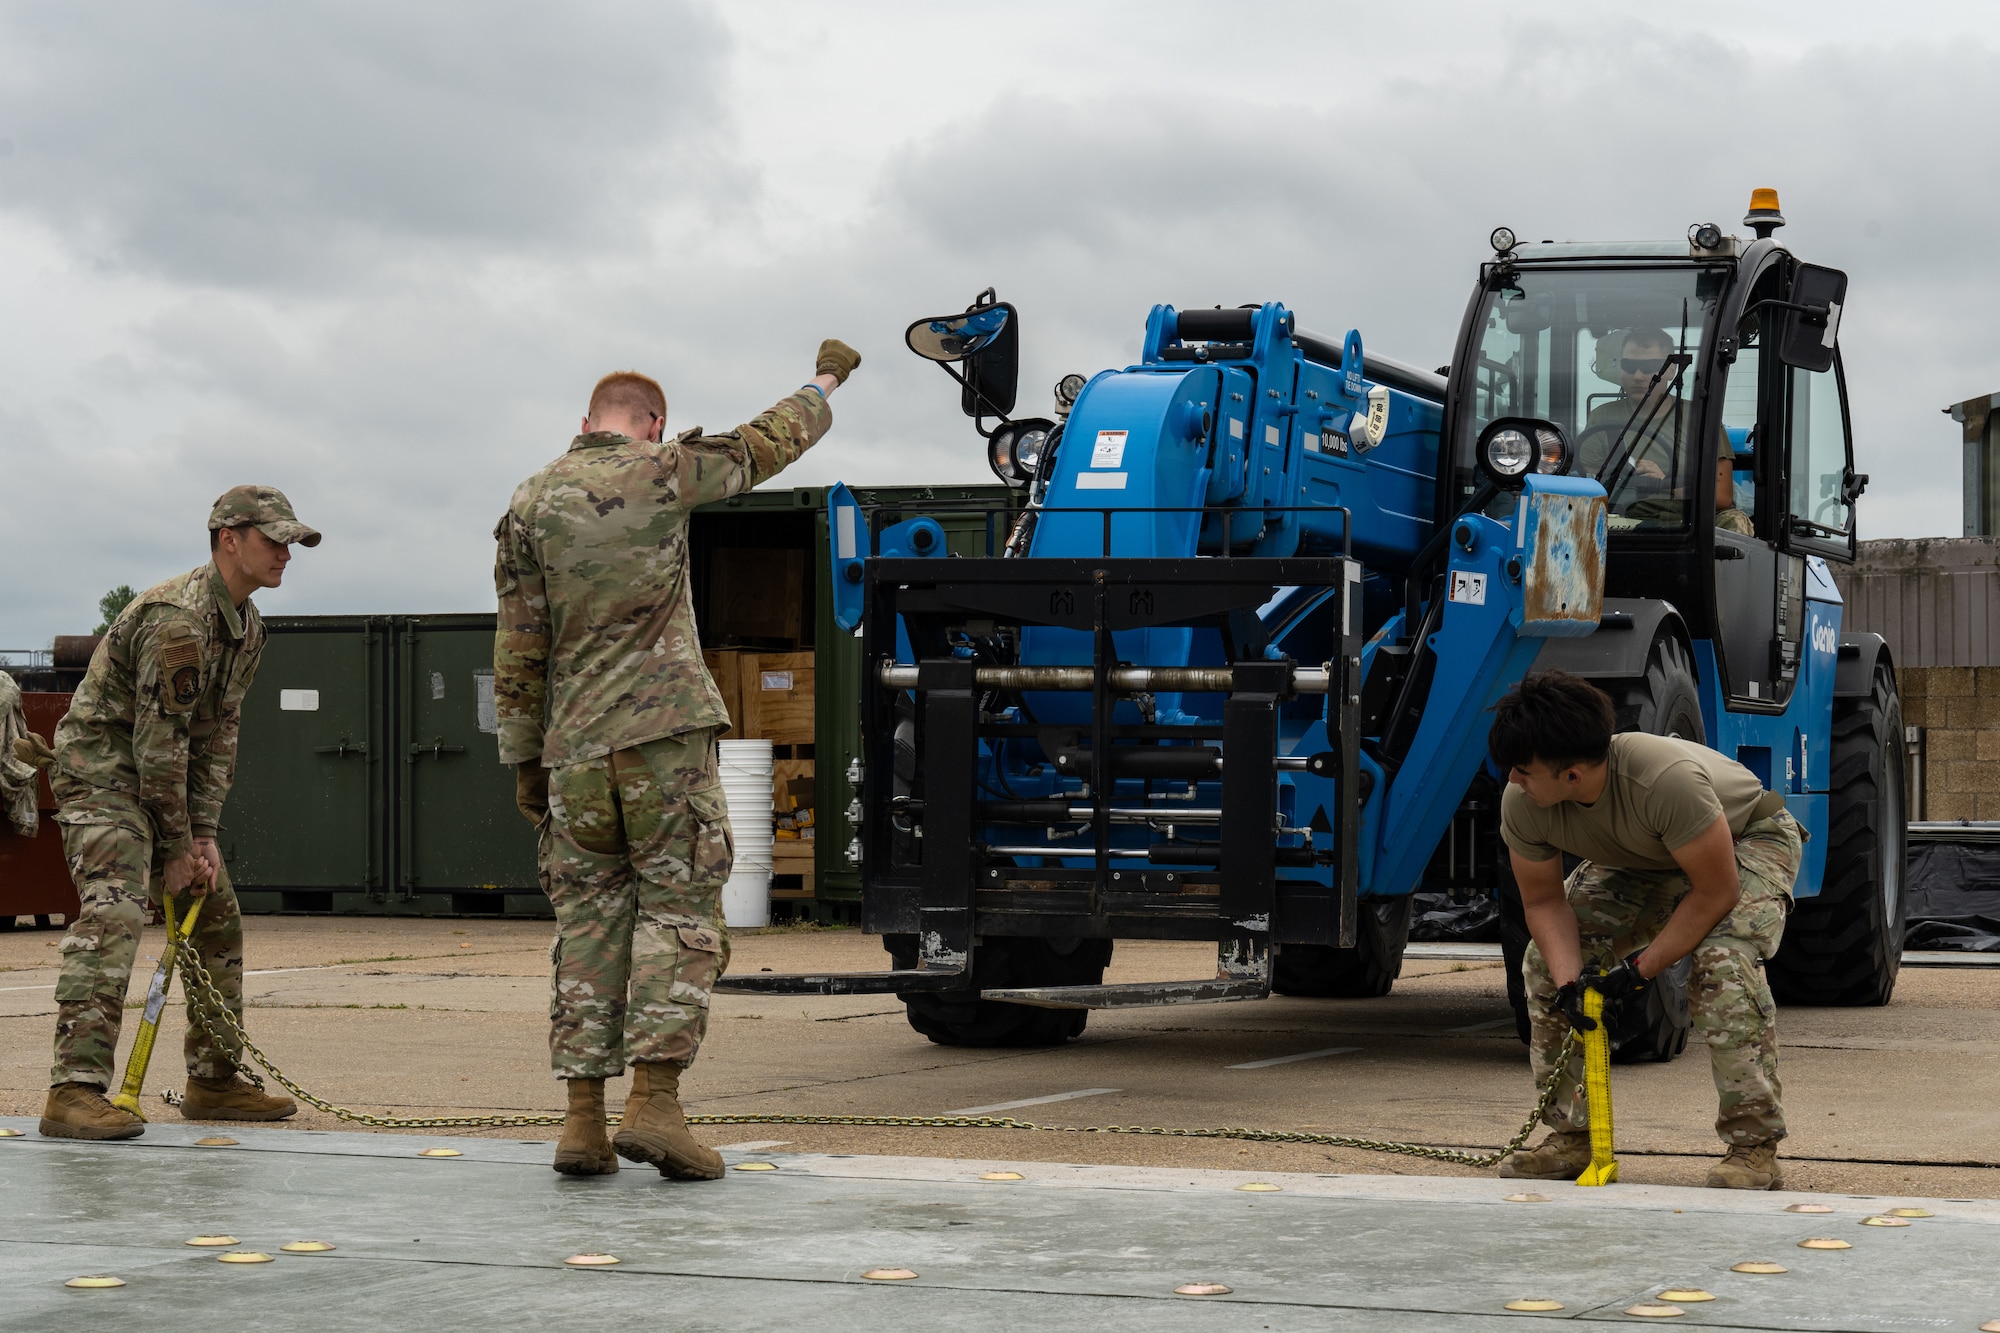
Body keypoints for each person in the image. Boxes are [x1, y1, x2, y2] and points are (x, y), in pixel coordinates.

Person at [494, 339, 860, 1179]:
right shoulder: (665, 470)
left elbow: (518, 646)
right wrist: (827, 376)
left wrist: (525, 760)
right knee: (677, 913)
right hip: (663, 742)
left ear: (585, 423)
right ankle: (655, 1103)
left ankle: (582, 1121)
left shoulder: (529, 501)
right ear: (654, 424)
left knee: (588, 924)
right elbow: (770, 440)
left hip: (574, 751)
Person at [39, 487, 318, 1140]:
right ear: (229, 538)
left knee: (214, 910)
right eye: (275, 539)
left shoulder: (248, 627)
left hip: (156, 773)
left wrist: (204, 836)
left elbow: (217, 736)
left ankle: (213, 1080)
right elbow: (157, 743)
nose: (286, 553)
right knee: (114, 908)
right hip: (103, 772)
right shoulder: (179, 620)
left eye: (292, 542)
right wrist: (173, 849)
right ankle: (73, 1089)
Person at [1490, 670, 1803, 1189]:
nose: (1514, 780)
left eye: (1524, 770)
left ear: (1572, 775)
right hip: (1645, 857)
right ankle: (1572, 1138)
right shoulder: (1523, 803)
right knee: (1545, 963)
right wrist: (1570, 984)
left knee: (1722, 963)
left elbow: (1714, 892)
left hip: (1745, 840)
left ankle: (1754, 1148)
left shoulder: (1664, 781)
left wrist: (1638, 971)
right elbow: (1543, 902)